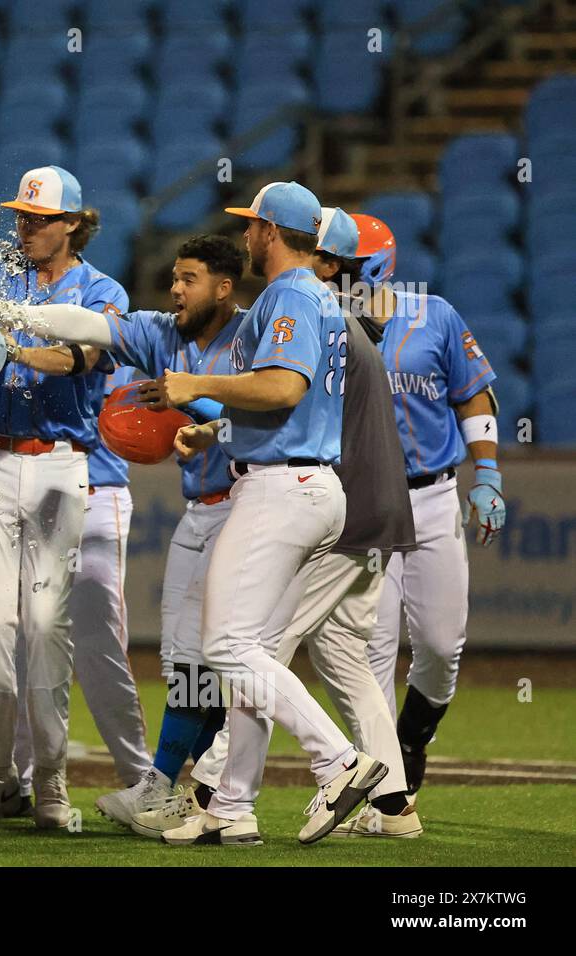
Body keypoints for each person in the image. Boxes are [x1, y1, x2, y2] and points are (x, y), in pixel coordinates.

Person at [147, 182, 387, 845]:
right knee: (252, 653)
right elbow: (283, 401)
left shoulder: (289, 293)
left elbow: (283, 386)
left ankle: (337, 760)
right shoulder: (316, 296)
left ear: (271, 233)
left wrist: (196, 385)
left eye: (253, 227)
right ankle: (232, 807)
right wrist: (215, 425)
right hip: (305, 481)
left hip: (281, 489)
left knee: (226, 647)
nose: (247, 237)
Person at [6, 234, 247, 829]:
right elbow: (86, 326)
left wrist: (207, 412)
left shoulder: (258, 333)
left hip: (257, 505)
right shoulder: (163, 332)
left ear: (224, 286)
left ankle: (240, 789)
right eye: (174, 277)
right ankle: (170, 786)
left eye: (189, 279)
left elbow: (278, 404)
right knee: (188, 661)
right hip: (202, 507)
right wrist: (12, 313)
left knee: (244, 660)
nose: (175, 289)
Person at [0, 165, 127, 830]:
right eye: (20, 216)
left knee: (46, 626)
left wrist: (0, 333)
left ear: (73, 225)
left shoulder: (103, 291)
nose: (23, 227)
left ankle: (52, 781)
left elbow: (77, 359)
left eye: (38, 219)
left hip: (61, 464)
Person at [356, 213, 504, 797]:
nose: (333, 272)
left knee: (441, 647)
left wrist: (487, 472)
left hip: (433, 495)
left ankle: (414, 735)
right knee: (369, 649)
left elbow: (473, 394)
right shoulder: (328, 323)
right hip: (363, 502)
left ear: (374, 264)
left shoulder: (434, 314)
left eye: (344, 262)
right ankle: (386, 786)